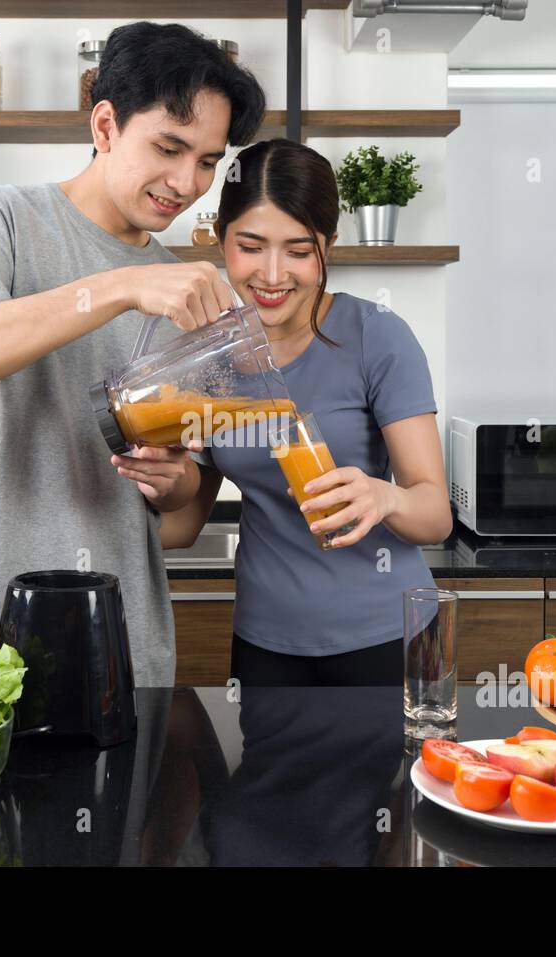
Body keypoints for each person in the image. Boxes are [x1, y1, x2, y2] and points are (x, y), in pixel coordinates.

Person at [0, 22, 267, 687]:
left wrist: (172, 477)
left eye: (208, 160)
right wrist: (120, 285)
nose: (187, 182)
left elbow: (183, 521)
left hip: (122, 653)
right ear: (104, 126)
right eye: (169, 146)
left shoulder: (189, 293)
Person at [154, 139, 453, 687]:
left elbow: (435, 515)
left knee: (395, 776)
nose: (272, 274)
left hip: (386, 638)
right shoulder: (208, 357)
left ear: (328, 246)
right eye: (251, 245)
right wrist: (151, 481)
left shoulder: (376, 335)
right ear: (220, 241)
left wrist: (384, 495)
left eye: (298, 249)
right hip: (265, 642)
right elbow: (182, 527)